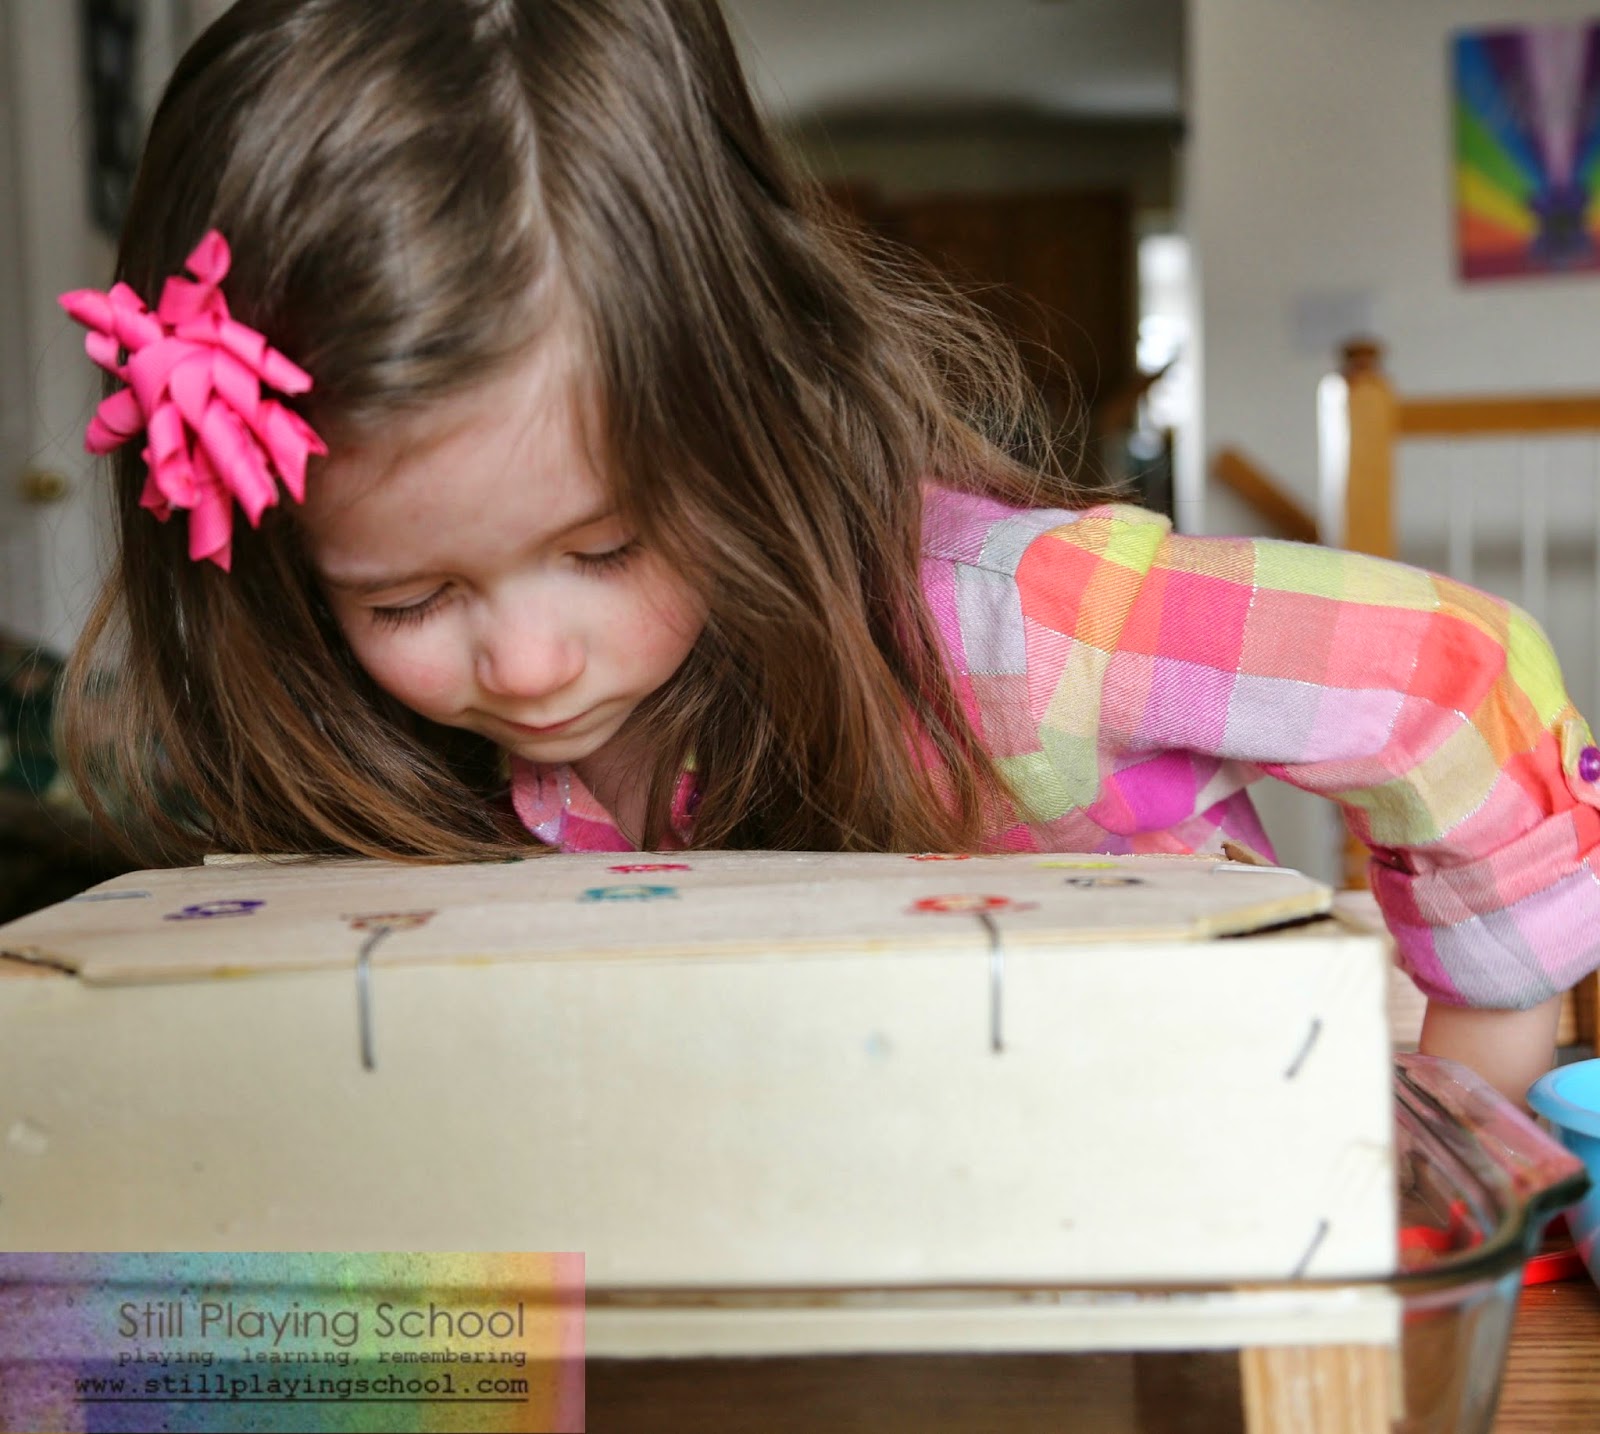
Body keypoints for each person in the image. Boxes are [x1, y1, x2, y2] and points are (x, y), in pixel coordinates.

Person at [57, 0, 1599, 1105]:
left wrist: (1463, 1098)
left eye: (607, 542)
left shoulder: (1009, 630)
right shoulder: (356, 731)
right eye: (407, 594)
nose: (527, 664)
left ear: (748, 412)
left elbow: (1459, 681)